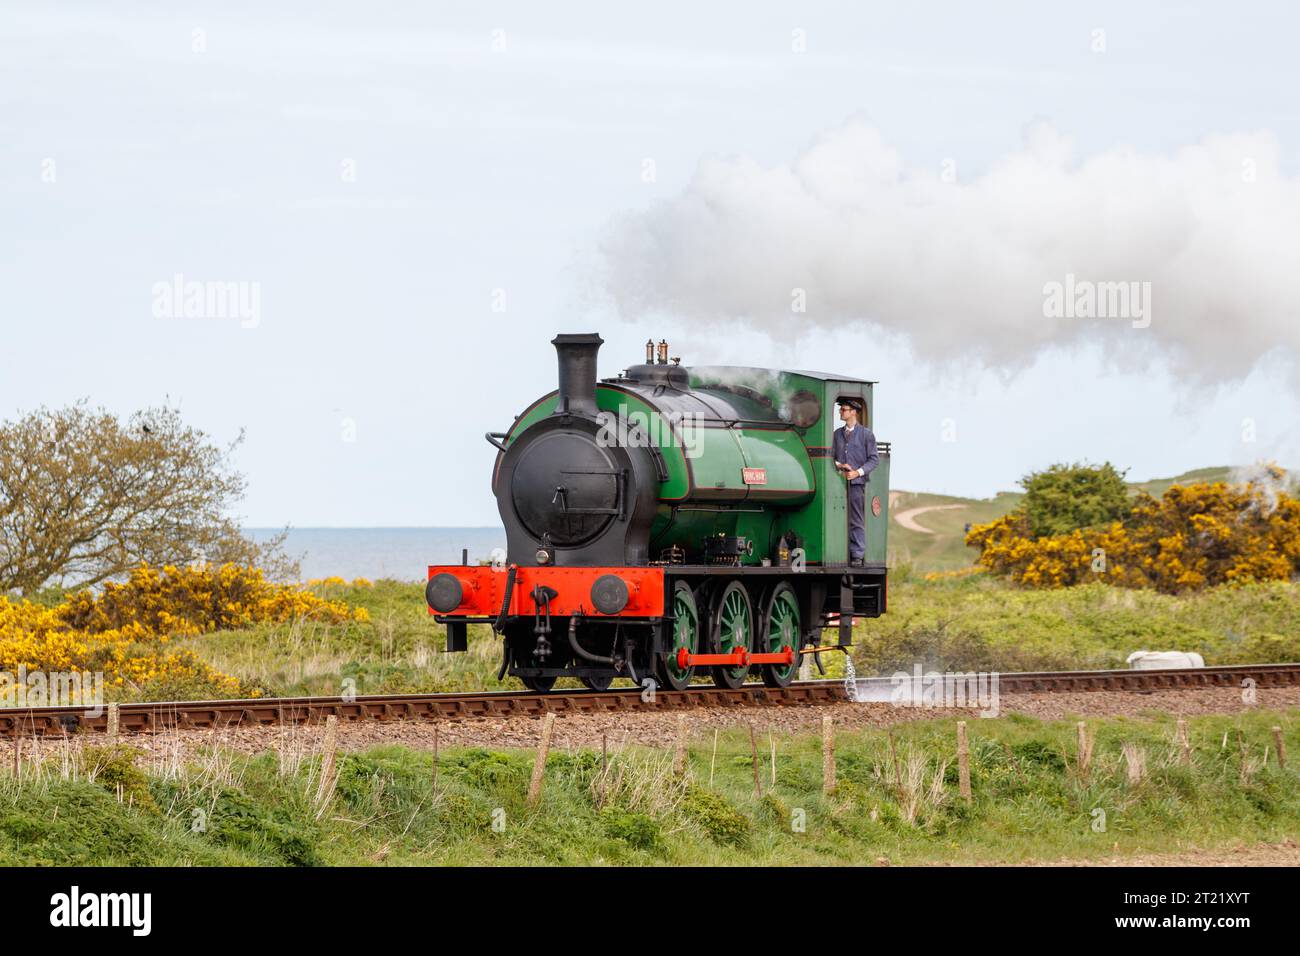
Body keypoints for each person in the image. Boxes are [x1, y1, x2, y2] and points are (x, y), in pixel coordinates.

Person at [832, 397, 879, 566]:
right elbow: (832, 457)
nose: (840, 412)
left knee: (856, 519)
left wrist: (857, 473)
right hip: (837, 483)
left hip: (857, 484)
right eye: (841, 410)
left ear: (853, 412)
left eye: (843, 410)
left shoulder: (866, 434)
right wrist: (840, 465)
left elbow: (874, 460)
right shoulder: (837, 434)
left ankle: (857, 554)